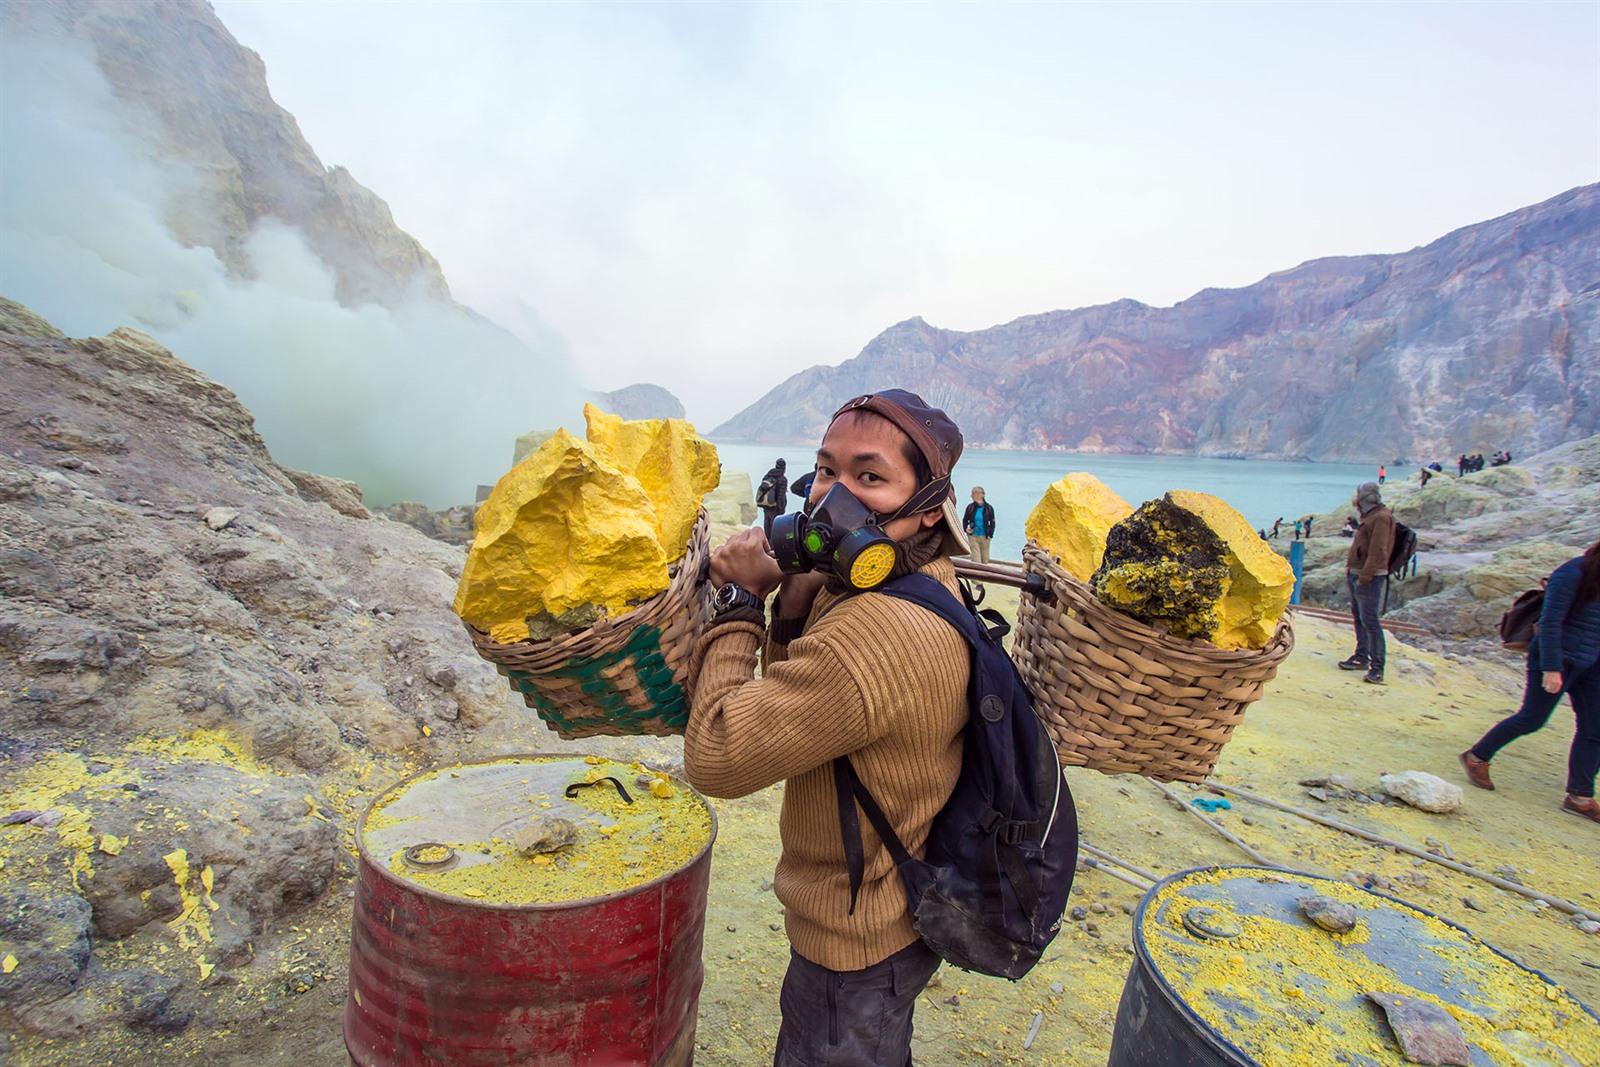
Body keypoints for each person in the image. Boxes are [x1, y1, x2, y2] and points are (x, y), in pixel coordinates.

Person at [684, 389, 971, 1065]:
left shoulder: (876, 631)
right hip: (895, 903)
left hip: (856, 942)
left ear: (929, 504)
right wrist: (798, 606)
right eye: (825, 470)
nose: (829, 498)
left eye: (869, 477)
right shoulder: (917, 574)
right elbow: (823, 712)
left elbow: (717, 756)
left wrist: (741, 601)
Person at [1460, 539, 1600, 824]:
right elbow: (1549, 623)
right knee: (1533, 718)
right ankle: (1476, 756)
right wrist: (1551, 668)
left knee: (1595, 727)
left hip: (1592, 663)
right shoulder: (1573, 573)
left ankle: (1579, 797)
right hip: (1556, 658)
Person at [1338, 481, 1395, 684]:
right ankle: (1361, 656)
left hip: (1368, 576)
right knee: (1359, 617)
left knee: (1370, 620)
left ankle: (1377, 667)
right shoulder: (1370, 516)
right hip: (1357, 572)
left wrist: (1366, 575)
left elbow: (1378, 550)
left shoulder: (1381, 517)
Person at [962, 486, 996, 564]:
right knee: (976, 560)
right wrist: (966, 529)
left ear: (982, 495)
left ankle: (983, 575)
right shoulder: (970, 507)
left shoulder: (989, 508)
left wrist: (990, 534)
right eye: (972, 494)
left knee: (985, 560)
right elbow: (965, 520)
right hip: (973, 536)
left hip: (985, 537)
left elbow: (992, 522)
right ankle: (975, 574)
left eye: (974, 494)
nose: (971, 496)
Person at [757, 458, 788, 540]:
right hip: (776, 508)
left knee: (767, 526)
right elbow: (780, 496)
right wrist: (781, 509)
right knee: (775, 529)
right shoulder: (783, 479)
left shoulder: (767, 476)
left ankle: (766, 545)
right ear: (784, 467)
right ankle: (773, 548)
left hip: (766, 506)